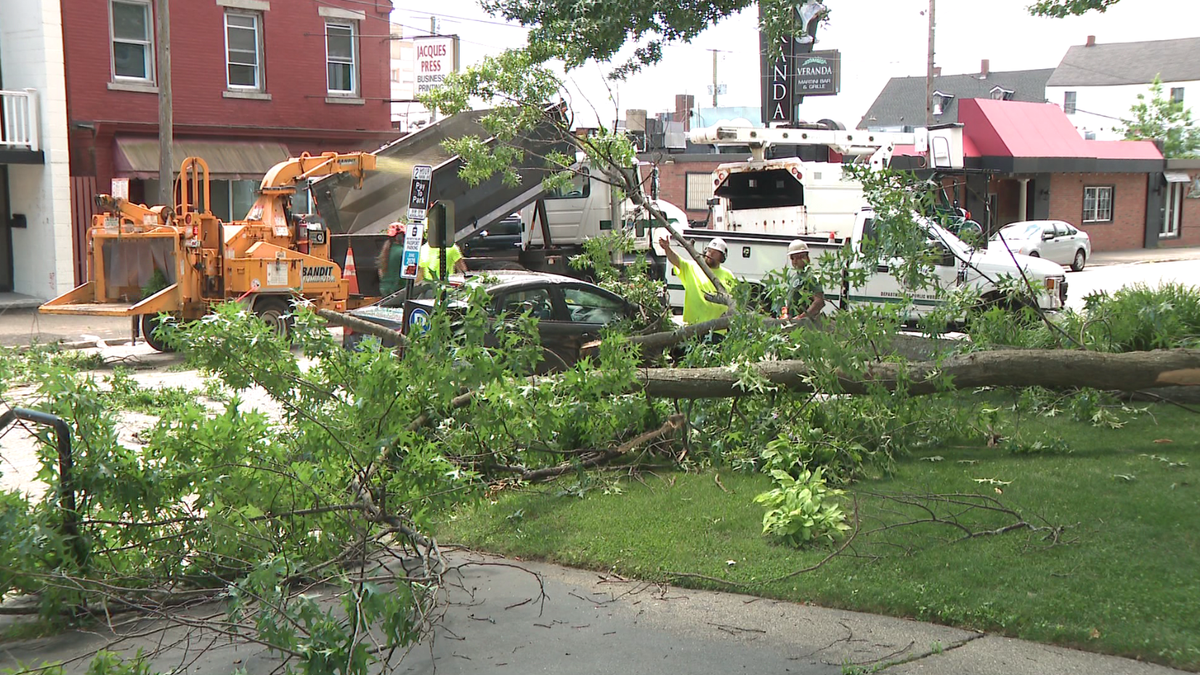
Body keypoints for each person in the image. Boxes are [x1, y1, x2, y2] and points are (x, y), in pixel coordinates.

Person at [657, 234, 736, 326]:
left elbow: (734, 300)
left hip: (718, 328)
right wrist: (667, 249)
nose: (710, 254)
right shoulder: (692, 267)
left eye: (715, 253)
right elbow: (676, 260)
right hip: (693, 326)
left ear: (722, 258)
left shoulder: (728, 275)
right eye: (709, 251)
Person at [783, 239, 825, 320]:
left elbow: (819, 302)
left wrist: (802, 317)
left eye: (798, 257)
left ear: (807, 258)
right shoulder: (795, 276)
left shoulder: (812, 276)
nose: (795, 261)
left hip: (806, 323)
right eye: (792, 258)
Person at [377, 222, 405, 297]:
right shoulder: (403, 252)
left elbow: (380, 272)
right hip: (399, 291)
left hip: (384, 290)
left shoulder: (385, 252)